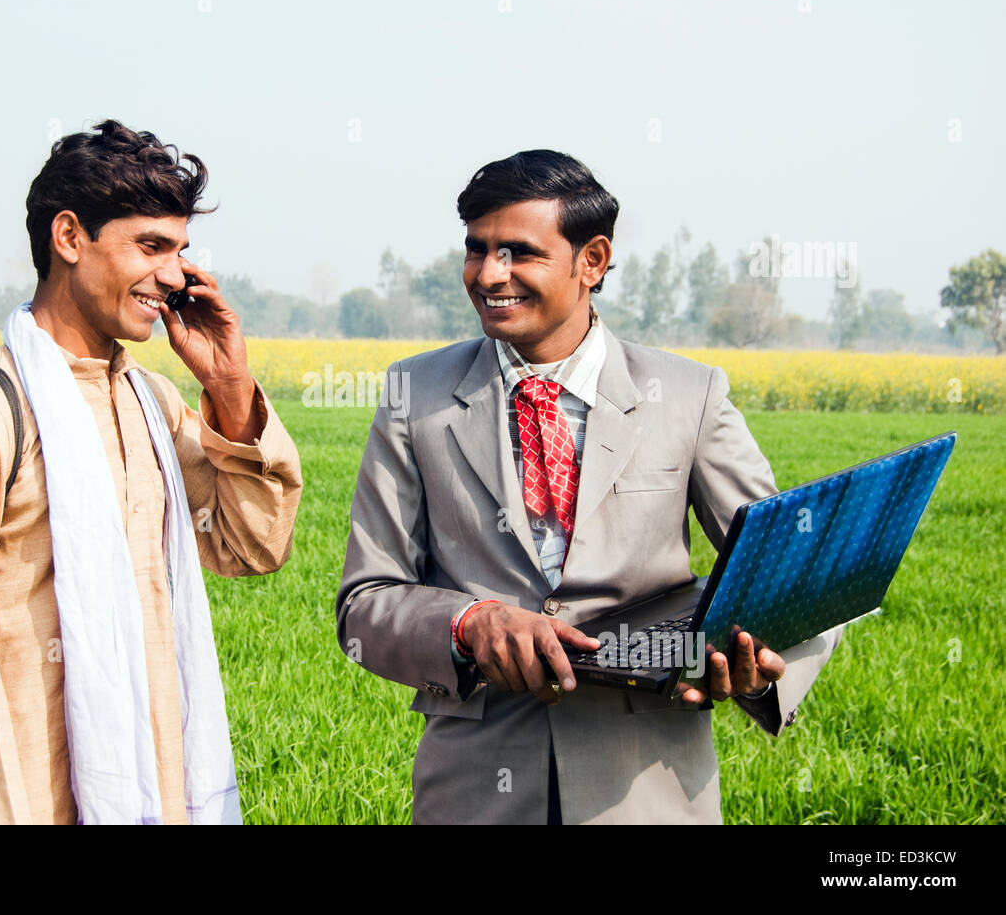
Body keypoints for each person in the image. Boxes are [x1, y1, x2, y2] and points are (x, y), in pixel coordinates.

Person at [336, 149, 842, 824]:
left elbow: (792, 577)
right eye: (477, 250)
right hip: (474, 792)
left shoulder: (688, 395)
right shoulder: (414, 396)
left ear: (593, 261)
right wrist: (469, 623)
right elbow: (366, 601)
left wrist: (763, 664)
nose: (490, 275)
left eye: (519, 252)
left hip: (647, 791)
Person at [0, 120, 302, 825]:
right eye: (150, 246)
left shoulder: (152, 404)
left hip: (150, 794)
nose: (173, 276)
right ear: (70, 237)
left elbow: (251, 547)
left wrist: (230, 387)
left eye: (180, 252)